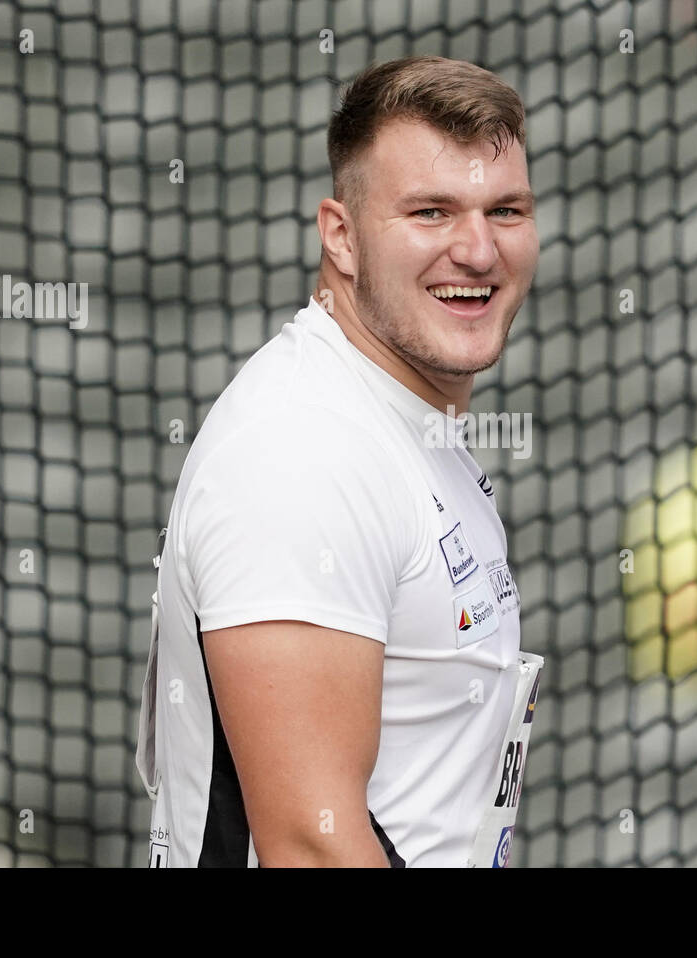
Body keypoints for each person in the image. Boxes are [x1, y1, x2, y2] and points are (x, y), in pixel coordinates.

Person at [135, 55, 542, 867]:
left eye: (505, 211)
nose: (477, 249)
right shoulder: (302, 450)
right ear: (342, 238)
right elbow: (311, 848)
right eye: (430, 212)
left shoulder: (392, 421)